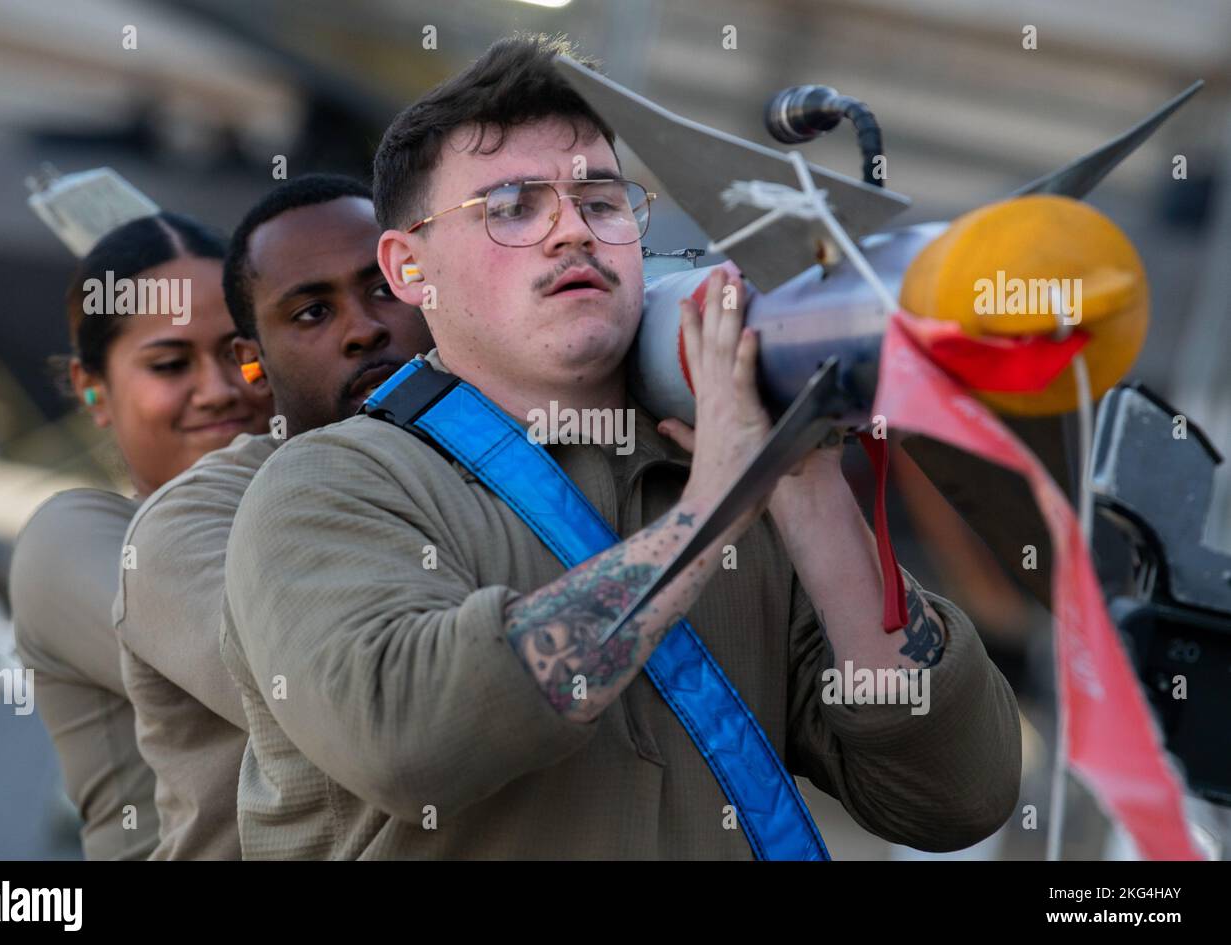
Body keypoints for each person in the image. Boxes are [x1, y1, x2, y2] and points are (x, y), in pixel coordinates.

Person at [223, 35, 1023, 859]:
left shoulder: (731, 476)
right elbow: (409, 737)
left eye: (601, 201)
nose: (571, 230)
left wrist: (806, 479)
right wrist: (715, 509)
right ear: (408, 268)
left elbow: (957, 793)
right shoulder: (328, 486)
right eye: (512, 207)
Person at [113, 175, 434, 859]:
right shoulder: (193, 524)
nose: (364, 328)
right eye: (312, 313)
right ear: (251, 361)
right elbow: (357, 713)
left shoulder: (489, 461)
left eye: (384, 286)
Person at [10, 212, 273, 860]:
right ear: (92, 390)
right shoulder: (71, 542)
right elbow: (303, 690)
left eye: (241, 353)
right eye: (170, 362)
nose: (217, 390)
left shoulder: (292, 516)